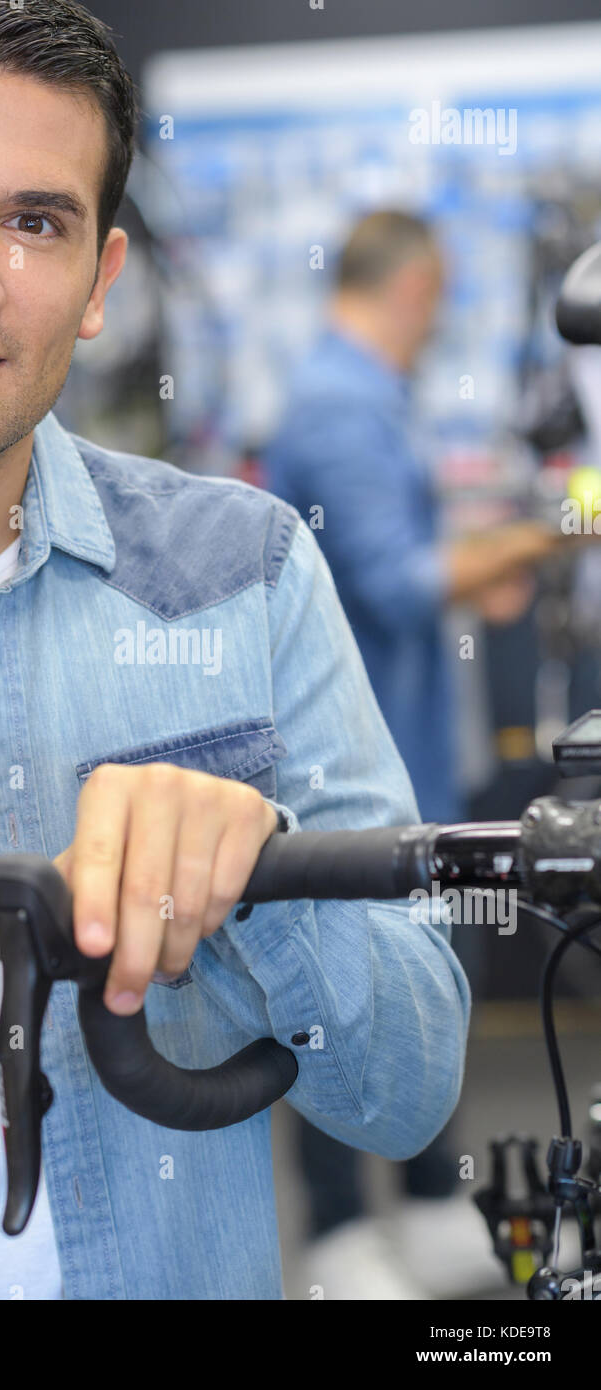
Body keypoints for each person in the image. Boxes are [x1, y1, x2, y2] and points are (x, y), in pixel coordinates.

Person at [0, 3, 469, 1302]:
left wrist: (263, 875)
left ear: (98, 280)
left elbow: (409, 1094)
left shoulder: (240, 577)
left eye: (33, 221)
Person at [264, 210, 565, 1298]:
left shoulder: (364, 402)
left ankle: (434, 1204)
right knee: (343, 994)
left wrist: (482, 563)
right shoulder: (338, 408)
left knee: (421, 983)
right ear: (416, 287)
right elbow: (392, 582)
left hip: (404, 762)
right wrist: (557, 526)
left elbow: (384, 574)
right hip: (356, 772)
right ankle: (343, 1237)